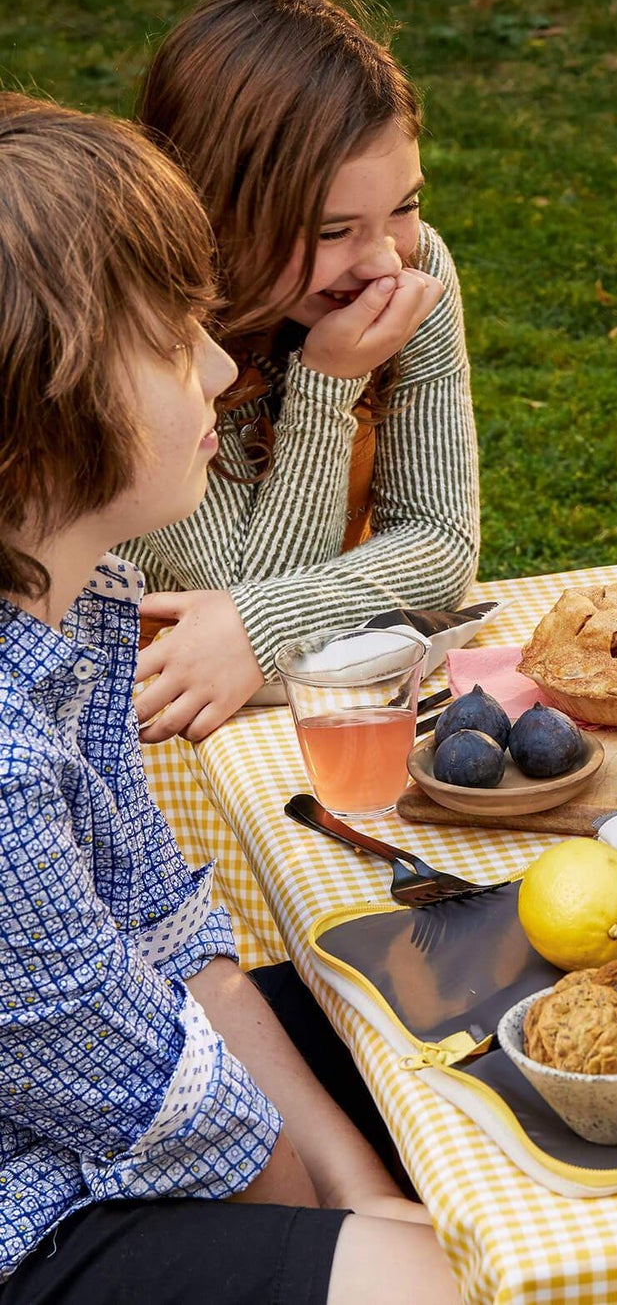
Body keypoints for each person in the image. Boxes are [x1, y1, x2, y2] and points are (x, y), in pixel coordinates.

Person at [0, 94, 461, 1303]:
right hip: (29, 1217)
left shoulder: (89, 592)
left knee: (445, 1064)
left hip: (114, 1108)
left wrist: (363, 1189)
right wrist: (353, 1239)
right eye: (169, 342)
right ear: (31, 426)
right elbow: (133, 1093)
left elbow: (169, 929)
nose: (217, 365)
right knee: (454, 1280)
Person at [125, 0, 481, 745]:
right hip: (150, 711)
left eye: (406, 206)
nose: (384, 260)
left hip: (314, 686)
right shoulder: (136, 324)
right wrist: (329, 385)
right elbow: (232, 587)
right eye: (331, 231)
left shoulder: (413, 274)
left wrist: (260, 623)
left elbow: (441, 546)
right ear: (220, 210)